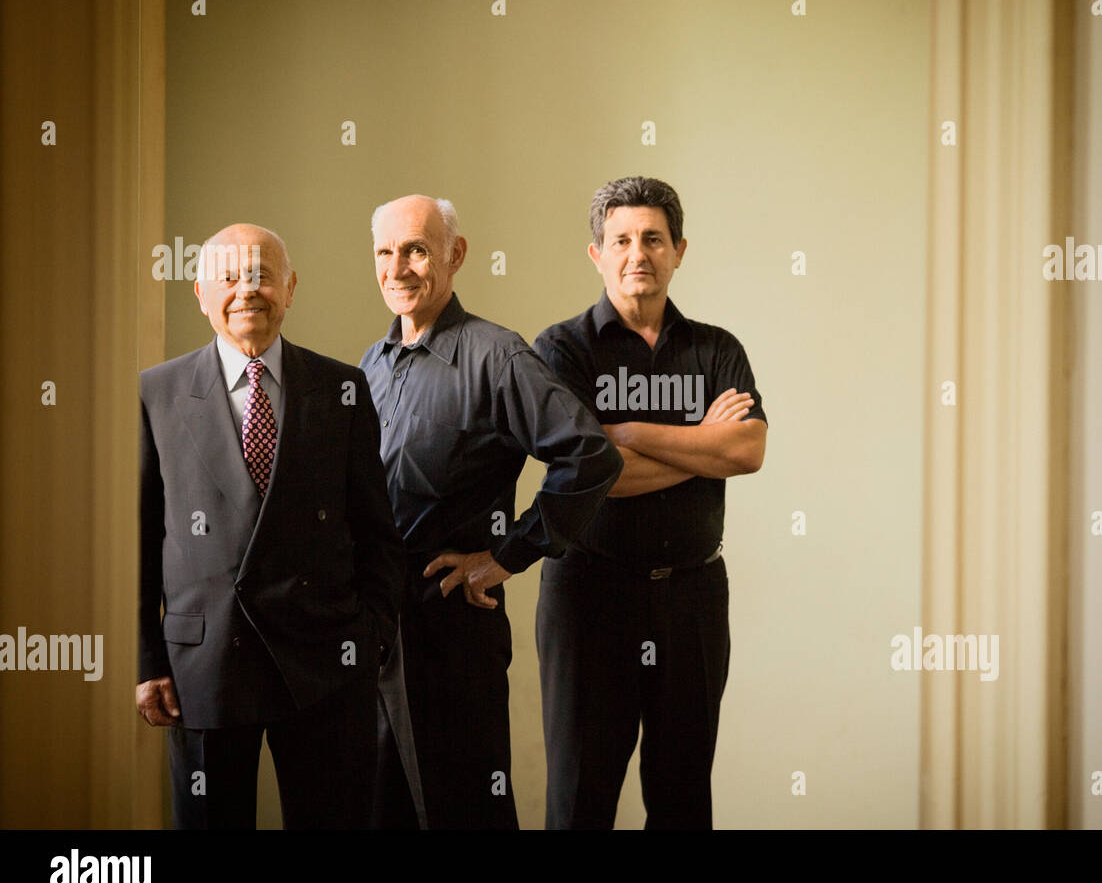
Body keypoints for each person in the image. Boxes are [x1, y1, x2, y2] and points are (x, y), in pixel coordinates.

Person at [361, 194, 622, 829]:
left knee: (464, 812)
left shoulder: (495, 356)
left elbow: (590, 457)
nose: (398, 267)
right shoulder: (372, 364)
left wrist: (507, 556)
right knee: (381, 810)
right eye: (385, 252)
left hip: (452, 629)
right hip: (376, 632)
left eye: (416, 250)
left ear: (455, 255)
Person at [137, 223, 403, 829]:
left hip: (326, 665)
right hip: (202, 667)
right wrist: (145, 661)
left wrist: (370, 638)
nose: (246, 290)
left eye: (260, 274)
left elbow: (377, 533)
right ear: (201, 294)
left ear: (290, 288)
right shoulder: (157, 393)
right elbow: (139, 541)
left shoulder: (343, 388)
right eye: (229, 277)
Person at [531, 176, 767, 829]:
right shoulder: (561, 349)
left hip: (692, 598)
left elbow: (746, 452)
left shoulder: (716, 350)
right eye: (622, 239)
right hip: (589, 597)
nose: (639, 253)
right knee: (580, 798)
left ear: (679, 251)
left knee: (683, 797)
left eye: (654, 239)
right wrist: (700, 443)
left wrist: (626, 435)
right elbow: (582, 473)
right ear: (597, 254)